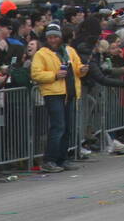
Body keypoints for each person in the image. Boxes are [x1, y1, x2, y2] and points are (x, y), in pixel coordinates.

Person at [31, 23, 86, 172]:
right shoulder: (41, 53)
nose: (53, 40)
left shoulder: (69, 51)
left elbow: (77, 67)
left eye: (55, 37)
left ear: (60, 37)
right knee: (58, 127)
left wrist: (82, 69)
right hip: (53, 93)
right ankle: (49, 160)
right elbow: (36, 74)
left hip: (70, 91)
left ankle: (63, 159)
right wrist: (54, 75)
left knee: (68, 127)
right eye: (50, 37)